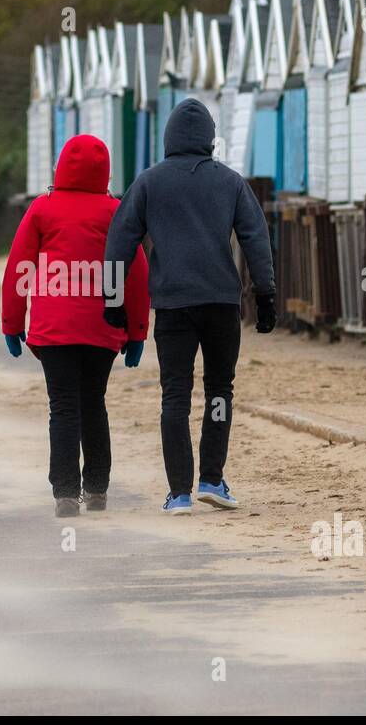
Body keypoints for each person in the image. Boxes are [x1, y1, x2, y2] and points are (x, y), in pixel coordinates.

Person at [103, 98, 275, 515]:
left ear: (169, 139)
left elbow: (119, 240)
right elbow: (256, 237)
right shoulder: (231, 183)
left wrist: (113, 299)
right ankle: (212, 480)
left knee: (174, 395)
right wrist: (265, 294)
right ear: (210, 141)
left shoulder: (149, 182)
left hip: (174, 306)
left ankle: (179, 492)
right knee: (219, 391)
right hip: (220, 303)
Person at [2, 135, 150, 518]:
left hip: (54, 330)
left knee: (63, 407)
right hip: (103, 326)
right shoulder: (116, 211)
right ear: (105, 171)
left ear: (60, 167)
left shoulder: (42, 208)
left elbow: (20, 266)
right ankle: (97, 489)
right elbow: (135, 274)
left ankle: (66, 494)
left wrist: (12, 323)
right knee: (94, 404)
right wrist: (136, 331)